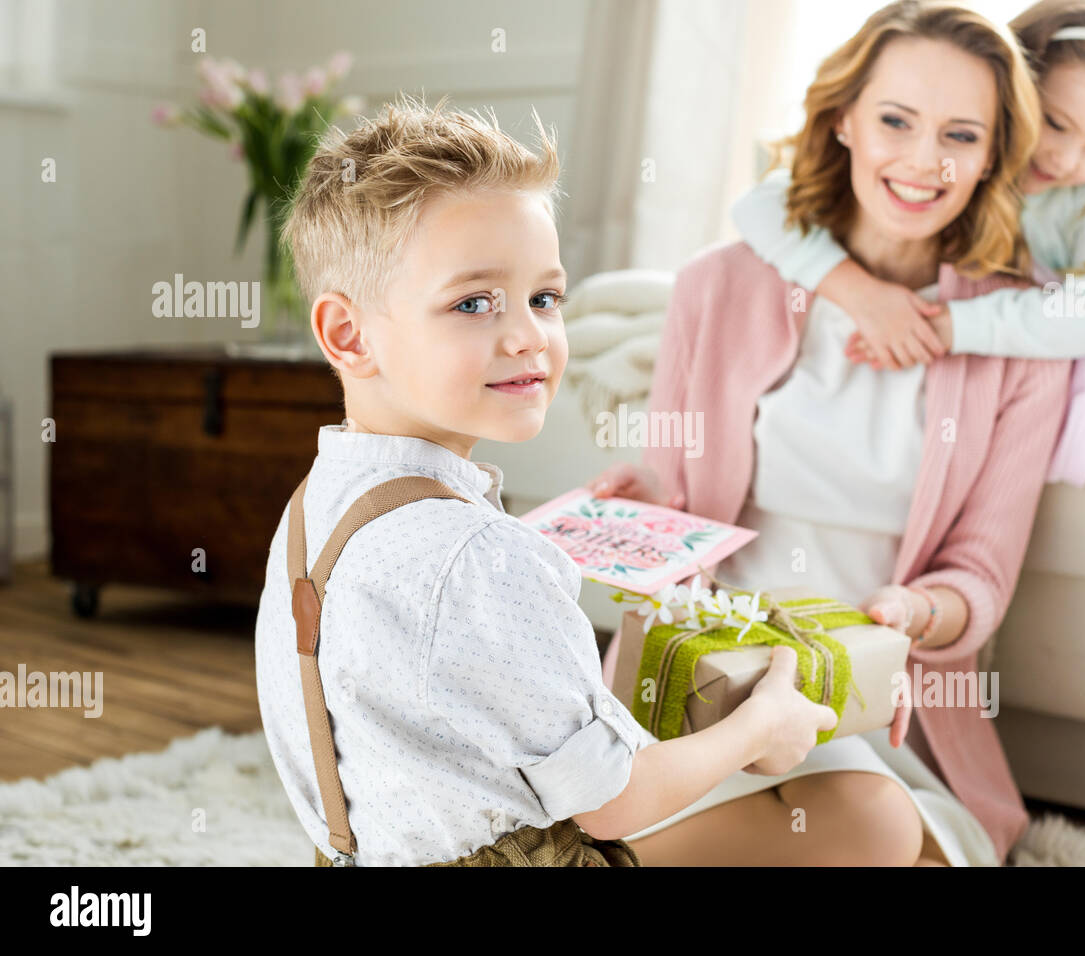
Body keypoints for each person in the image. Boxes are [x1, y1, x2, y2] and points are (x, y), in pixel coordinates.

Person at [254, 94, 837, 867]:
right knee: (863, 816)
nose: (529, 335)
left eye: (545, 297)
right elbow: (611, 806)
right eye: (473, 303)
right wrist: (758, 730)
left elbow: (469, 683)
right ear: (349, 334)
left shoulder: (311, 509)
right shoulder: (483, 558)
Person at [591, 0, 1068, 866]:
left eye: (961, 136)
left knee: (880, 823)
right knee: (847, 832)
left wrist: (920, 611)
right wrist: (638, 509)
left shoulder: (1020, 337)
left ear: (995, 151)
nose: (924, 162)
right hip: (708, 684)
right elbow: (674, 486)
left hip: (873, 708)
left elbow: (981, 574)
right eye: (895, 121)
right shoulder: (717, 284)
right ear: (843, 119)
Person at [732, 0, 1085, 488]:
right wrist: (857, 292)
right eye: (1054, 123)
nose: (1067, 159)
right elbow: (759, 205)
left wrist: (949, 326)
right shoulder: (949, 160)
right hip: (1042, 356)